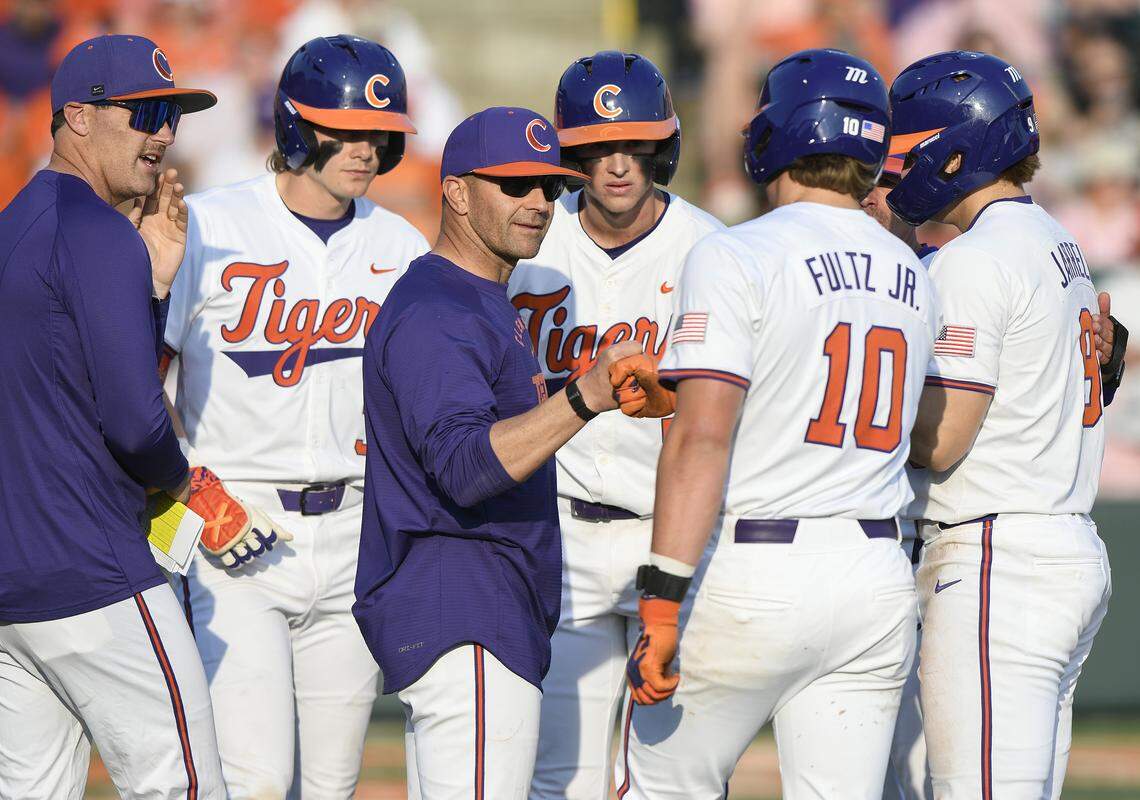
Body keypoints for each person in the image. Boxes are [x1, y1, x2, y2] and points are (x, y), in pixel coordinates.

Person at [617, 49, 939, 799]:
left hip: (755, 564)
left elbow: (703, 439)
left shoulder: (735, 251)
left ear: (780, 131)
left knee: (662, 787)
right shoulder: (911, 272)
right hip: (873, 571)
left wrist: (660, 600)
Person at [159, 35, 429, 798]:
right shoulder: (209, 226)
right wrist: (180, 490)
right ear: (294, 126)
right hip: (235, 528)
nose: (366, 147)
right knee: (255, 778)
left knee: (332, 782)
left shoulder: (400, 245)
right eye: (342, 127)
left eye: (380, 132)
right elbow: (140, 380)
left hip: (353, 534)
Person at [353, 105, 645, 800]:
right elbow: (465, 466)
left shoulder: (482, 296)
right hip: (465, 608)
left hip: (477, 604)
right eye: (515, 185)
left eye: (550, 187)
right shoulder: (438, 307)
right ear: (455, 191)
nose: (539, 203)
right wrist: (583, 398)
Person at [886, 50, 1114, 800]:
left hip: (996, 558)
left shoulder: (976, 259)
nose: (895, 172)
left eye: (908, 150)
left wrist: (863, 403)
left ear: (955, 151)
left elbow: (942, 438)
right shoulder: (1059, 241)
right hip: (1058, 540)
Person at [0, 34, 224, 798]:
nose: (163, 132)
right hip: (93, 572)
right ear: (78, 117)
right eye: (145, 112)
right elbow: (134, 424)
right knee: (185, 786)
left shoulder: (12, 228)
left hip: (12, 590)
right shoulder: (98, 233)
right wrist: (179, 480)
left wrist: (153, 284)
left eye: (172, 114)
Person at [506, 50, 724, 800]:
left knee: (671, 780)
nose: (618, 165)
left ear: (662, 146)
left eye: (634, 144)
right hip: (559, 530)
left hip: (669, 532)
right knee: (556, 776)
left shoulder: (711, 246)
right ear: (571, 153)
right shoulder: (530, 237)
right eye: (599, 147)